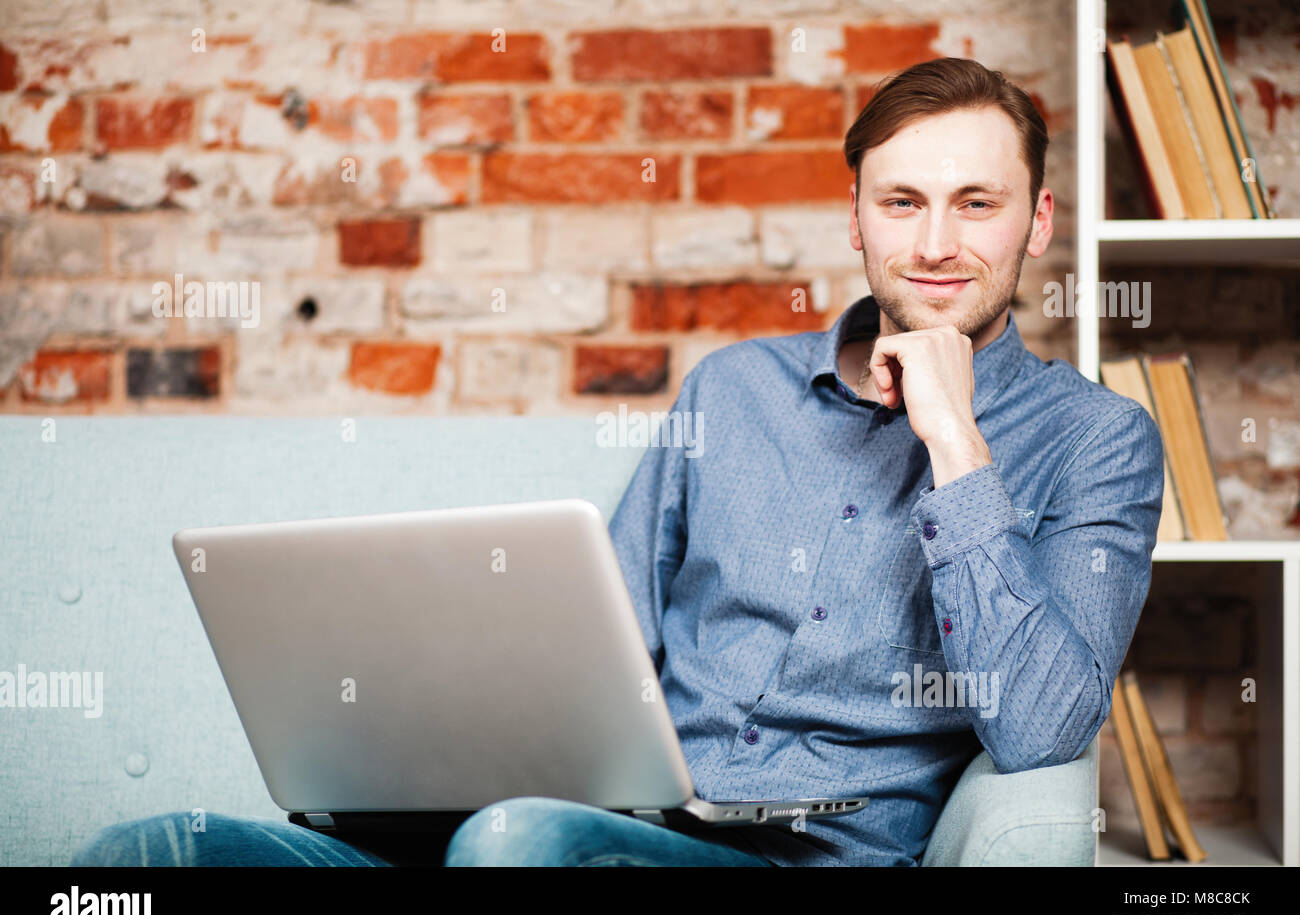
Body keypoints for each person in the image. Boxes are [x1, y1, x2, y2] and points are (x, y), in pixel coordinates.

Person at [70, 56, 1164, 868]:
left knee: (515, 844)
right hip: (592, 827)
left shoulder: (1096, 442)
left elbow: (1041, 725)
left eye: (976, 203)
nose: (934, 243)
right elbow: (604, 643)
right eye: (902, 202)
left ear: (1037, 222)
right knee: (145, 857)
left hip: (796, 858)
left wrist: (953, 442)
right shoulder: (731, 391)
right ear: (855, 219)